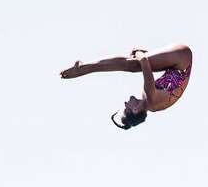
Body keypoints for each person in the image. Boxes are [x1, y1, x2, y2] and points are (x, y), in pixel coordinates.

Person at [60, 43, 193, 130]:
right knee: (133, 64)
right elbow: (144, 60)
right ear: (135, 109)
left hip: (178, 64)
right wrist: (139, 52)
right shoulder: (150, 97)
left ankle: (86, 68)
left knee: (134, 65)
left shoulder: (153, 105)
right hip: (181, 58)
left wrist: (144, 57)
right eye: (126, 107)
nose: (125, 103)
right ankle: (85, 68)